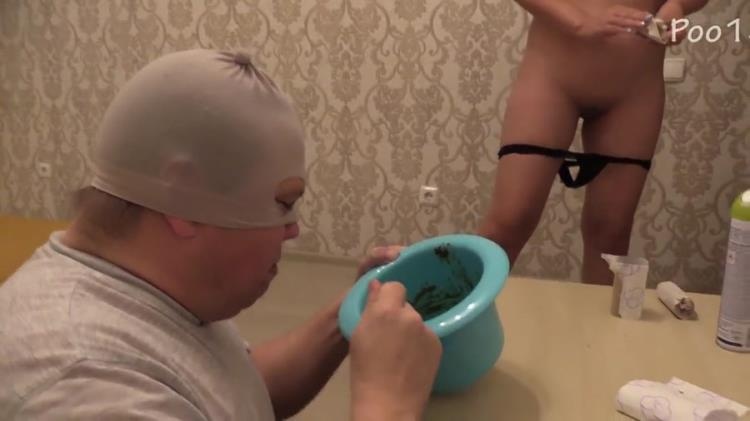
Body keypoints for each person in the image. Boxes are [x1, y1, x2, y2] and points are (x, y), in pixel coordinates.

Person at [0, 49, 442, 420]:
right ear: (182, 204)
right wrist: (388, 402)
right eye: (283, 202)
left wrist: (353, 312)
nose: (292, 228)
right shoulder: (85, 387)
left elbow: (230, 394)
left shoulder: (148, 290)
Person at [478, 0, 709, 284]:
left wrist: (678, 6)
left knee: (611, 235)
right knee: (509, 222)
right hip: (552, 75)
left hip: (635, 89)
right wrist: (577, 20)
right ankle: (451, 311)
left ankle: (598, 317)